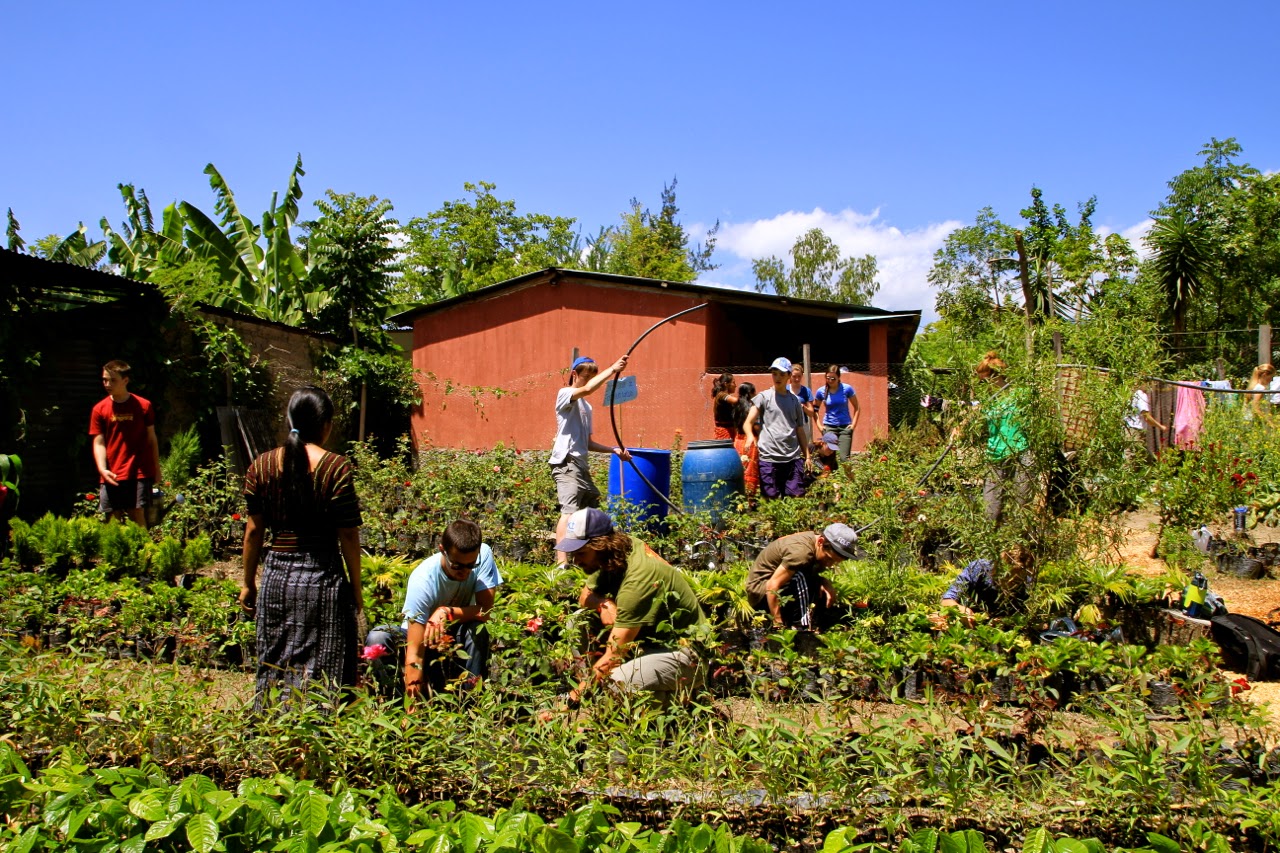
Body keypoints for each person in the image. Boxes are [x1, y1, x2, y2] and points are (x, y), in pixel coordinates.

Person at [239, 386, 363, 707]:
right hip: (321, 580)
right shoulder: (335, 468)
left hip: (276, 581)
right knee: (324, 670)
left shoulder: (261, 466)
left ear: (289, 418)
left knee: (274, 664)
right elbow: (348, 536)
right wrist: (357, 590)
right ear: (326, 425)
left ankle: (268, 738)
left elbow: (254, 532)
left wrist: (248, 583)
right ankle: (315, 745)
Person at [553, 508, 707, 709]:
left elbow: (613, 656)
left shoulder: (638, 579)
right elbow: (584, 596)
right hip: (646, 643)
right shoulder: (618, 552)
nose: (576, 560)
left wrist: (572, 700)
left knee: (616, 681)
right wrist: (603, 604)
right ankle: (597, 695)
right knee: (576, 620)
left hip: (686, 652)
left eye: (581, 553)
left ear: (600, 545)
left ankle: (681, 706)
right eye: (573, 554)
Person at [363, 519, 502, 698]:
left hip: (453, 635)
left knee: (477, 630)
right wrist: (411, 712)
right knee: (378, 637)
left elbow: (486, 611)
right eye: (457, 565)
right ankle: (394, 708)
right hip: (418, 637)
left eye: (471, 565)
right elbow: (414, 653)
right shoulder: (423, 580)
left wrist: (447, 612)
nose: (465, 572)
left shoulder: (483, 553)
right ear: (442, 550)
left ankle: (470, 704)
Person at [550, 354, 632, 568]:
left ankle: (593, 561)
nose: (588, 381)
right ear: (575, 374)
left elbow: (587, 443)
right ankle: (561, 564)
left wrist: (614, 450)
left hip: (581, 466)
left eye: (591, 377)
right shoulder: (565, 394)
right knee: (569, 511)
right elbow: (586, 390)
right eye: (585, 376)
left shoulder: (587, 407)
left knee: (592, 513)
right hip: (566, 463)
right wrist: (612, 369)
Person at [88, 359, 161, 527]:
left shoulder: (143, 406)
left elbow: (151, 439)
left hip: (139, 471)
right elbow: (98, 442)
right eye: (104, 379)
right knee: (112, 517)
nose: (107, 384)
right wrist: (102, 469)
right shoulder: (99, 409)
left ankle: (143, 552)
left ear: (125, 380)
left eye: (112, 380)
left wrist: (156, 469)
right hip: (111, 473)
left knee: (137, 514)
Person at [747, 524, 858, 630]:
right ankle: (802, 628)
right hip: (760, 592)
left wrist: (823, 581)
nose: (830, 564)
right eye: (829, 558)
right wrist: (778, 623)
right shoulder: (802, 553)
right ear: (820, 541)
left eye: (835, 562)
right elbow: (772, 585)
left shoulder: (814, 546)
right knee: (800, 578)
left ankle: (817, 627)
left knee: (819, 588)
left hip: (780, 590)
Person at [974, 352, 1031, 526]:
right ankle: (988, 548)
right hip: (995, 454)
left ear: (996, 377)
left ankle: (1017, 548)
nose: (983, 385)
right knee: (990, 507)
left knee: (1020, 504)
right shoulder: (988, 401)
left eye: (985, 381)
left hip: (1021, 452)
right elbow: (972, 414)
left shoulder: (1021, 395)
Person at [743, 357, 810, 499]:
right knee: (770, 499)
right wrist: (750, 436)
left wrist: (808, 455)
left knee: (796, 497)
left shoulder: (795, 401)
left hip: (792, 458)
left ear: (789, 377)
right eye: (774, 373)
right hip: (769, 458)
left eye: (782, 374)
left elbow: (799, 429)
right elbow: (748, 422)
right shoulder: (764, 397)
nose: (777, 377)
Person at [931, 548, 1034, 628]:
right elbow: (946, 601)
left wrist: (1005, 621)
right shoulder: (978, 569)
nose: (1010, 584)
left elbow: (1023, 618)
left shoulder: (1027, 582)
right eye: (1006, 577)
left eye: (1016, 581)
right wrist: (961, 611)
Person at [814, 365, 861, 461]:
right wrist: (819, 426)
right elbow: (815, 409)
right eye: (828, 378)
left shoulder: (847, 389)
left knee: (845, 459)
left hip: (845, 428)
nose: (830, 381)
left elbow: (857, 407)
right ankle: (828, 476)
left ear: (839, 378)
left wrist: (853, 425)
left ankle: (850, 476)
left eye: (833, 379)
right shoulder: (821, 391)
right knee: (829, 458)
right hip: (829, 427)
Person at [731, 382, 760, 496]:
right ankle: (750, 498)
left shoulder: (736, 406)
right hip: (750, 440)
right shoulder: (751, 407)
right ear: (750, 393)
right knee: (750, 469)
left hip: (738, 440)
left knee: (741, 468)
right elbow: (755, 425)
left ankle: (739, 497)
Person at [786, 362, 816, 433]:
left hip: (803, 425)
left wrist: (802, 407)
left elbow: (811, 413)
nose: (797, 379)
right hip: (788, 425)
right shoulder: (785, 390)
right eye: (794, 376)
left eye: (799, 376)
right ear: (789, 376)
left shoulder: (806, 391)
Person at [710, 372, 739, 440]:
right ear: (726, 384)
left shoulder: (724, 396)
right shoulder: (721, 395)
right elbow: (736, 400)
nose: (735, 385)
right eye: (733, 382)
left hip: (730, 431)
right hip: (724, 433)